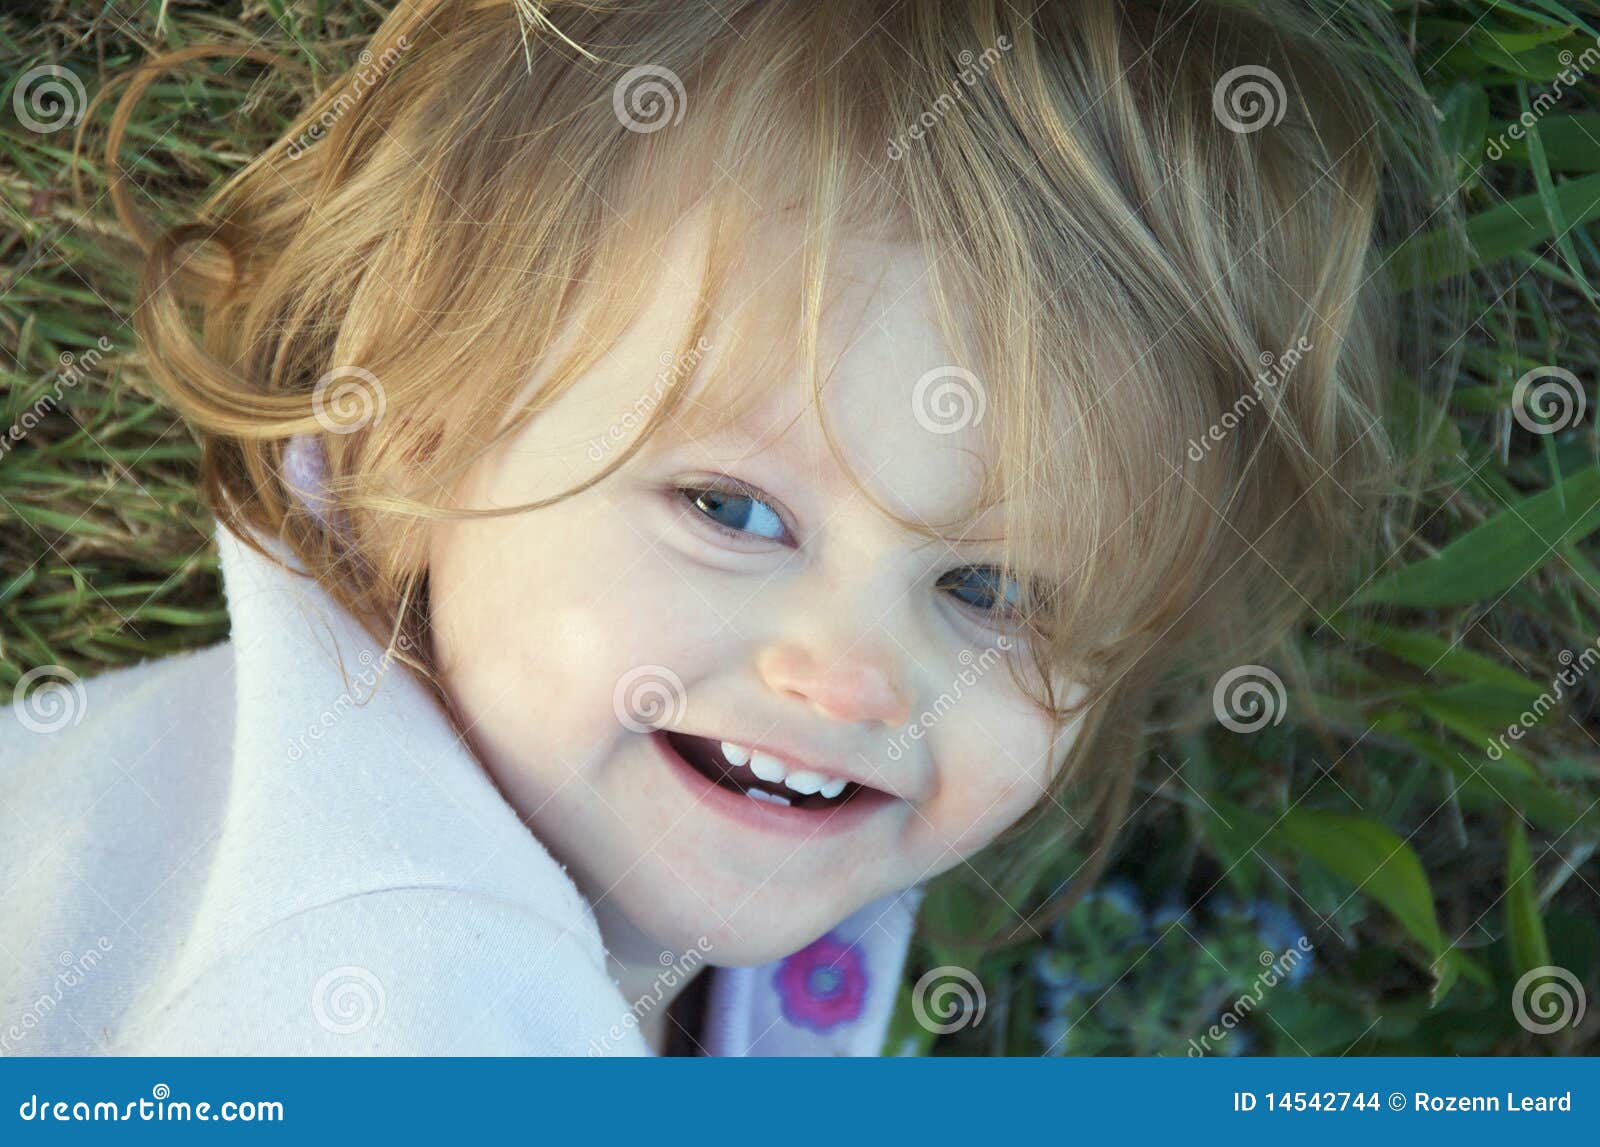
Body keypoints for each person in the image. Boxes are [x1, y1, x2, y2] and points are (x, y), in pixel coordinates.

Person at [0, 0, 1438, 1055]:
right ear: (413, 438)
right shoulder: (373, 1003)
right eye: (730, 510)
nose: (857, 676)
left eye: (995, 587)